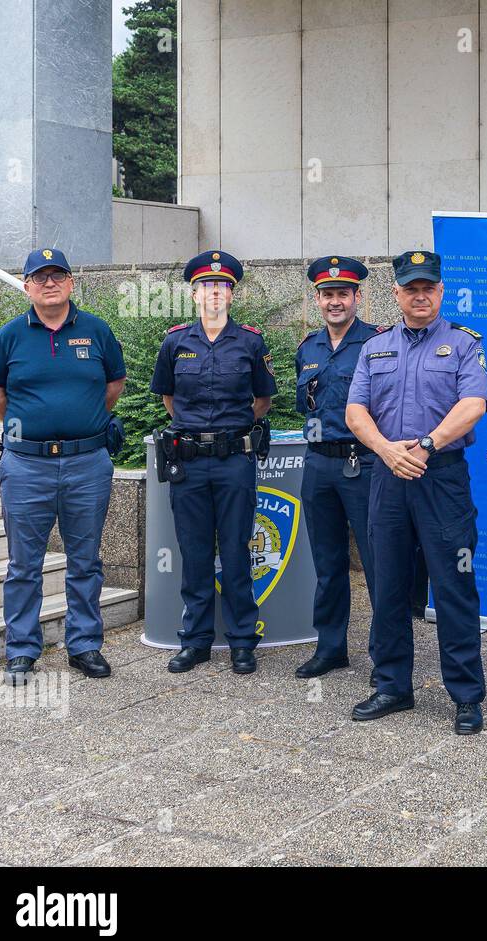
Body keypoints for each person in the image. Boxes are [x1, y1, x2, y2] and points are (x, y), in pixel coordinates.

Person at [344, 250, 487, 735]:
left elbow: (473, 405)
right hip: (387, 478)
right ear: (397, 293)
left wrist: (426, 446)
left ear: (441, 290)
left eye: (428, 286)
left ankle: (466, 695)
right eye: (411, 287)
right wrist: (388, 451)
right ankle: (391, 686)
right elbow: (355, 413)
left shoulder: (465, 344)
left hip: (442, 478)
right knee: (386, 586)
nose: (420, 294)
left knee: (454, 586)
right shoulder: (374, 347)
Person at [0, 247, 126, 684]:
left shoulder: (97, 331)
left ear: (71, 283)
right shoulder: (10, 335)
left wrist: (79, 424)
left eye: (57, 275)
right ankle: (22, 650)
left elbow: (113, 386)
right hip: (27, 466)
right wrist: (32, 430)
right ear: (26, 286)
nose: (49, 283)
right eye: (39, 277)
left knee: (86, 561)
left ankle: (84, 646)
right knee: (23, 564)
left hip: (87, 463)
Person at [150, 251, 277, 675]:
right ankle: (197, 641)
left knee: (238, 551)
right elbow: (169, 398)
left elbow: (261, 401)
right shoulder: (175, 342)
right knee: (196, 552)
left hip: (233, 462)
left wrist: (230, 431)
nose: (214, 293)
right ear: (194, 293)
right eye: (207, 286)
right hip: (188, 461)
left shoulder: (251, 342)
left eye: (222, 286)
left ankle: (243, 640)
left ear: (232, 294)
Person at [293, 256, 384, 681]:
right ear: (318, 299)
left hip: (363, 463)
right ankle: (330, 648)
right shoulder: (307, 348)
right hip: (318, 464)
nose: (335, 302)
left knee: (377, 562)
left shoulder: (378, 342)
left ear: (357, 297)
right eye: (327, 295)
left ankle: (385, 656)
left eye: (342, 294)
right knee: (327, 564)